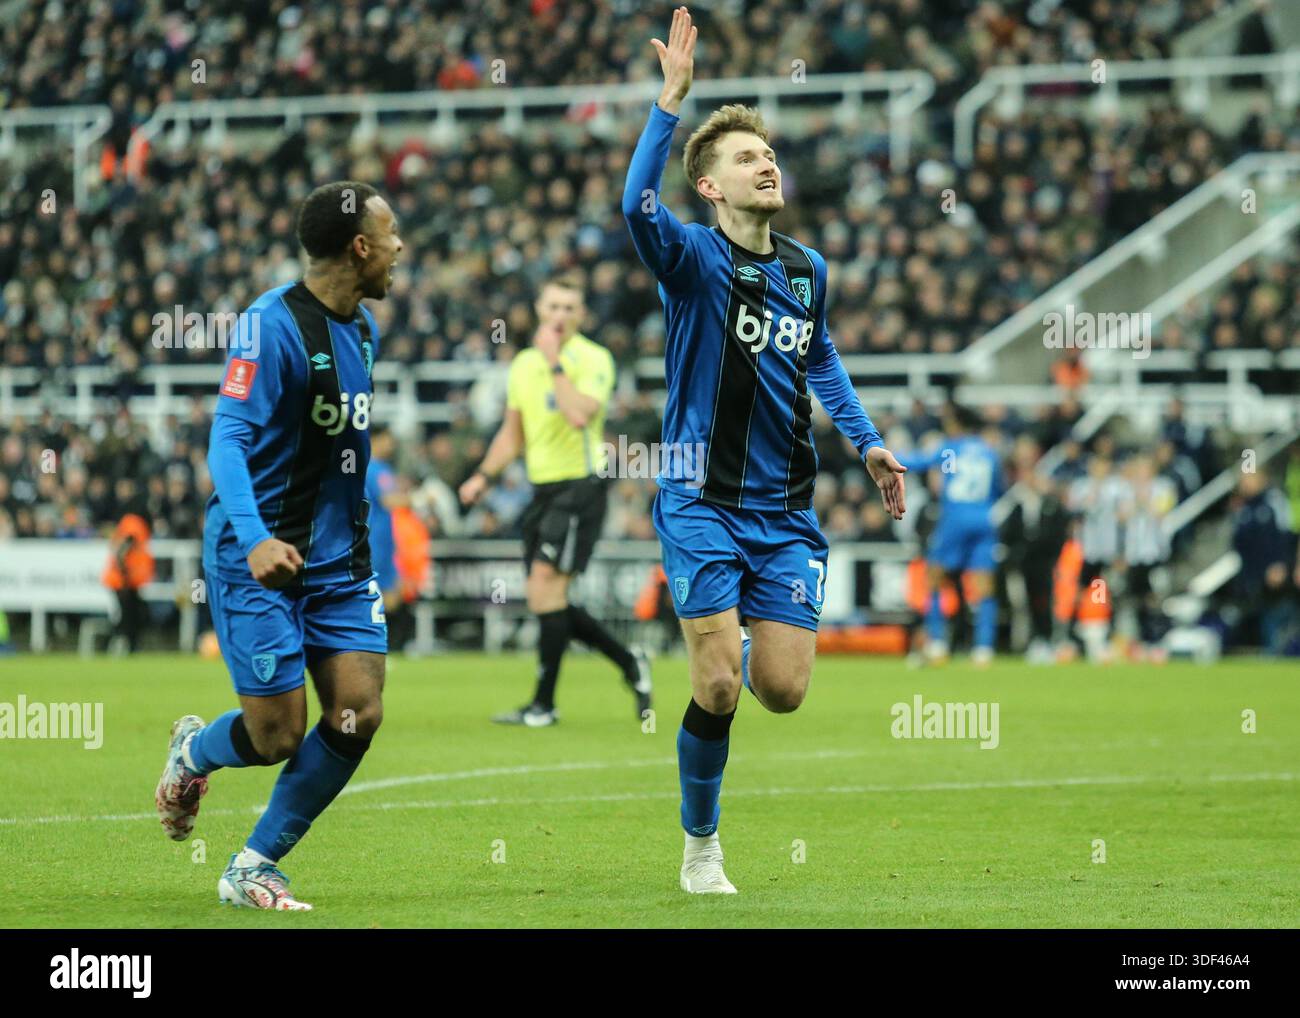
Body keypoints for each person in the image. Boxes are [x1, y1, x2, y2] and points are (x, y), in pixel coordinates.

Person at [623, 7, 906, 894]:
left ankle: (737, 639)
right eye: (747, 157)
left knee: (780, 690)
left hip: (783, 512)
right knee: (716, 691)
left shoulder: (807, 270)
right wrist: (669, 109)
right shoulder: (693, 260)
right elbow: (634, 204)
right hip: (699, 497)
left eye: (768, 153)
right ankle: (700, 848)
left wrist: (867, 443)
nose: (766, 162)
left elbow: (819, 355)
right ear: (709, 186)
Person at [154, 180, 402, 910]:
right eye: (390, 235)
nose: (399, 248)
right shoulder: (270, 326)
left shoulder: (362, 328)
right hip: (255, 556)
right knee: (277, 735)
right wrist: (259, 537)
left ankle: (254, 863)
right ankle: (194, 752)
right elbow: (227, 439)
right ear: (359, 247)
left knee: (359, 708)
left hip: (338, 562)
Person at [459, 273, 652, 726]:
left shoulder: (594, 359)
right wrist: (483, 477)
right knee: (547, 598)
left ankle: (544, 705)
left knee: (547, 588)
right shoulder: (523, 364)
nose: (560, 316)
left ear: (582, 315)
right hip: (542, 489)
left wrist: (555, 363)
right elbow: (513, 433)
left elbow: (581, 414)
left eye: (570, 308)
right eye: (553, 307)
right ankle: (629, 663)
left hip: (580, 487)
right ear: (539, 309)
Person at [895, 404, 1004, 665]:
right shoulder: (990, 453)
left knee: (934, 578)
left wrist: (884, 453)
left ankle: (938, 642)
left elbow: (916, 462)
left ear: (956, 424)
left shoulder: (950, 449)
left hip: (956, 517)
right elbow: (999, 489)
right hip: (985, 518)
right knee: (984, 584)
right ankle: (983, 649)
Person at [101, 510, 154, 653]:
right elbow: (123, 550)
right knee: (128, 617)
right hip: (123, 583)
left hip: (127, 582)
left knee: (130, 616)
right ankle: (113, 645)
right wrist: (124, 577)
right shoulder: (135, 523)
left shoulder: (129, 522)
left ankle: (128, 646)